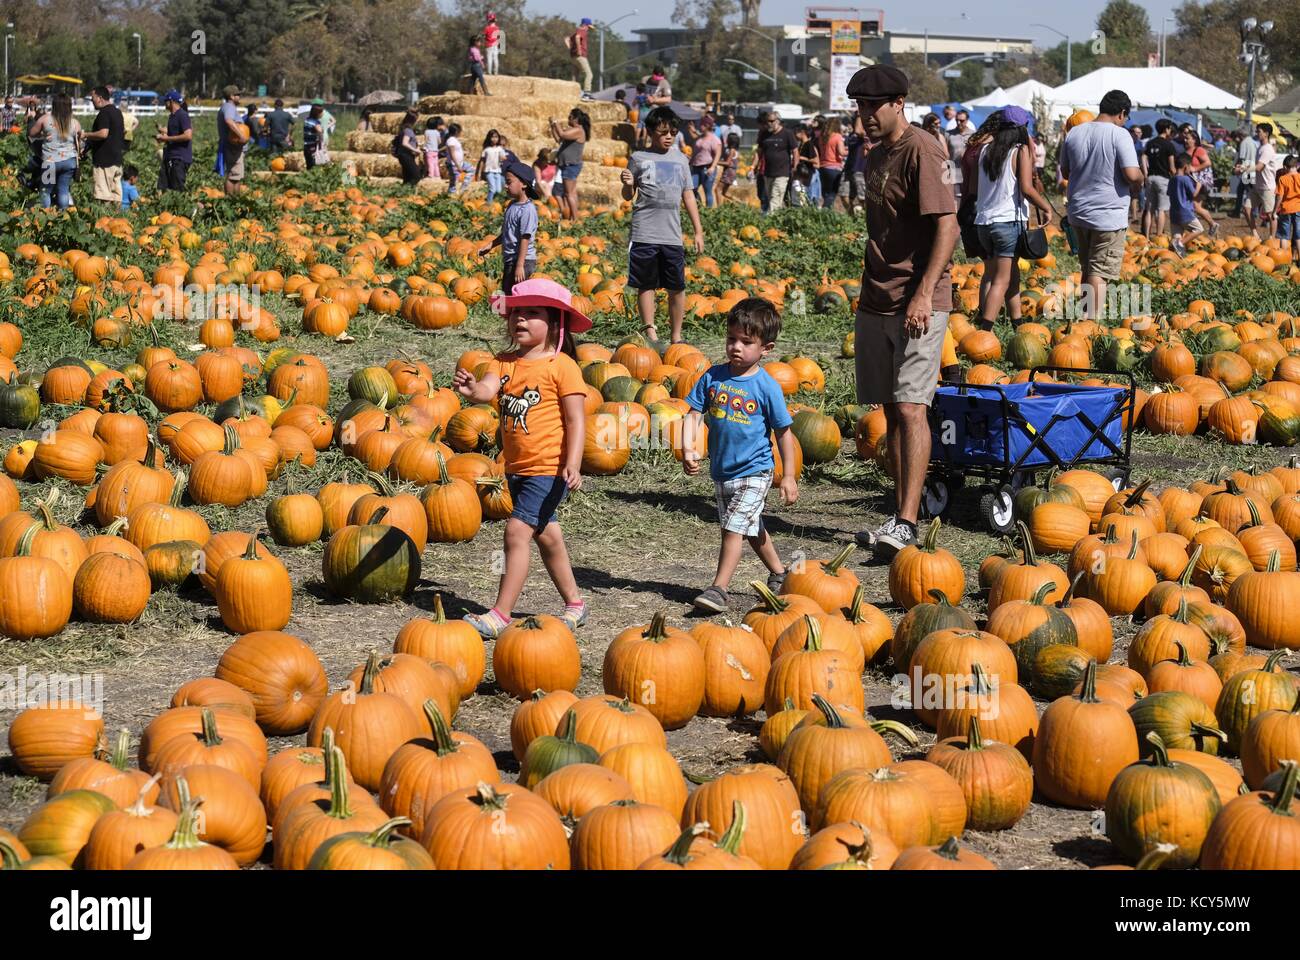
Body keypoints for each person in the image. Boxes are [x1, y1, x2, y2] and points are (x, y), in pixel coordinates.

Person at [846, 64, 958, 558]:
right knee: (891, 410)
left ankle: (908, 524)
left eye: (873, 106)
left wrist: (921, 292)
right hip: (877, 298)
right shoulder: (875, 156)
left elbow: (948, 227)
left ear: (898, 104)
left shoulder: (922, 149)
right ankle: (898, 512)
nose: (865, 115)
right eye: (860, 107)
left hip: (919, 301)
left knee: (913, 408)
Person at [455, 278, 591, 638]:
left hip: (549, 470)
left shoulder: (562, 367)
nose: (520, 320)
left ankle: (500, 613)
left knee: (516, 532)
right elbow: (488, 389)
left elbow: (577, 420)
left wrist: (574, 462)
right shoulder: (503, 362)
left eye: (532, 313)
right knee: (547, 537)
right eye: (516, 313)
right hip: (517, 468)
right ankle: (575, 604)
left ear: (556, 322)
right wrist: (473, 391)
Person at [682, 298, 798, 612]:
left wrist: (787, 475)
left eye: (746, 342)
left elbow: (784, 433)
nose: (736, 347)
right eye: (731, 338)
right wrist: (688, 446)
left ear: (766, 348)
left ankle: (719, 589)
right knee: (749, 525)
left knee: (734, 529)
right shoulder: (713, 376)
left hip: (755, 470)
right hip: (723, 471)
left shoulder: (767, 387)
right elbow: (692, 414)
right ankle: (779, 572)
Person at [621, 105, 704, 347]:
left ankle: (676, 336)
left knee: (676, 286)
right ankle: (651, 335)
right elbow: (628, 195)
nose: (669, 137)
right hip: (644, 232)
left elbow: (688, 196)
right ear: (649, 132)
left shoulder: (680, 160)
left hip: (672, 235)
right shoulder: (638, 158)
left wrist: (697, 230)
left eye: (672, 132)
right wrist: (627, 183)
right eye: (663, 132)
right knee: (646, 285)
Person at [1059, 90, 1144, 322]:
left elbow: (1065, 172)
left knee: (1088, 267)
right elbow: (1130, 173)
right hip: (1108, 215)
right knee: (1100, 271)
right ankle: (1090, 323)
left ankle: (1084, 318)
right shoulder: (1120, 135)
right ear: (1122, 113)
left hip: (1079, 212)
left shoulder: (1074, 133)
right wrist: (1140, 180)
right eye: (1126, 117)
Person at [972, 116, 1053, 330]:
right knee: (1002, 280)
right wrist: (1045, 207)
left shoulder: (984, 151)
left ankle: (1016, 321)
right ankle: (985, 331)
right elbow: (1026, 188)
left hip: (983, 223)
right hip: (1007, 223)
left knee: (1007, 274)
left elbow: (973, 188)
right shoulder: (1019, 151)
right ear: (1021, 129)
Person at [479, 161, 539, 294]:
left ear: (523, 184)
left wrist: (520, 265)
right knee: (507, 292)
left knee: (516, 295)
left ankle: (512, 314)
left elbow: (525, 237)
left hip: (523, 261)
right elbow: (508, 233)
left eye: (509, 182)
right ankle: (505, 314)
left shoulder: (527, 210)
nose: (505, 185)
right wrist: (491, 245)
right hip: (511, 259)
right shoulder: (512, 205)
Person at [30, 93, 81, 209]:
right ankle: (63, 216)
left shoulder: (45, 119)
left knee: (45, 191)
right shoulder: (75, 123)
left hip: (50, 161)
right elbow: (79, 139)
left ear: (54, 105)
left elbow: (31, 133)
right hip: (69, 161)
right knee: (63, 190)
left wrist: (42, 133)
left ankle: (45, 216)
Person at [83, 86, 126, 207]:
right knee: (116, 197)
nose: (92, 101)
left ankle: (105, 222)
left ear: (100, 98)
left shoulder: (104, 113)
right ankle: (116, 220)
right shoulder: (117, 112)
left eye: (93, 98)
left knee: (104, 197)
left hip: (104, 162)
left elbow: (103, 134)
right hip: (116, 160)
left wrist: (86, 135)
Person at [755, 111, 797, 213]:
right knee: (772, 199)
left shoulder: (787, 133)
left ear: (778, 121)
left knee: (775, 198)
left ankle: (769, 223)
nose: (769, 123)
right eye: (767, 121)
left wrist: (795, 167)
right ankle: (778, 219)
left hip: (782, 173)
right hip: (768, 173)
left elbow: (795, 151)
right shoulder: (764, 134)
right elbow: (759, 152)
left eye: (771, 121)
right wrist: (753, 166)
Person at [551, 108, 588, 221]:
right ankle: (573, 217)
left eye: (570, 117)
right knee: (572, 192)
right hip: (568, 165)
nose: (568, 119)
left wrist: (556, 122)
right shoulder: (573, 131)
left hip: (570, 166)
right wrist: (552, 126)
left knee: (568, 194)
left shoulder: (578, 130)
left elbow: (562, 134)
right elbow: (559, 139)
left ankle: (574, 219)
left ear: (576, 119)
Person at [1141, 119, 1177, 238]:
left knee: (1149, 209)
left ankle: (1146, 236)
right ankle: (1159, 236)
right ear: (1166, 129)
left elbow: (1143, 157)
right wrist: (1175, 174)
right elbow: (1172, 167)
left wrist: (1145, 173)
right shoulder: (1169, 145)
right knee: (1161, 209)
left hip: (1151, 177)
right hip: (1163, 179)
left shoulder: (1150, 143)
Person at [1180, 129, 1219, 236]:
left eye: (1187, 138)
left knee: (1195, 206)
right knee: (1192, 206)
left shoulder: (1198, 150)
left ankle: (1212, 223)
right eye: (1184, 138)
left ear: (1194, 139)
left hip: (1199, 183)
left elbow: (1207, 162)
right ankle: (1191, 231)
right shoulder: (1186, 151)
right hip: (1190, 183)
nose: (1185, 140)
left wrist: (1195, 168)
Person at [154, 89, 193, 192]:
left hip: (179, 158)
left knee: (178, 189)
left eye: (165, 101)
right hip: (171, 156)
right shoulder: (172, 116)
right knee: (165, 188)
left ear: (171, 102)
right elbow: (174, 135)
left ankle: (189, 207)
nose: (164, 103)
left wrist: (167, 138)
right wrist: (163, 139)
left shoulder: (182, 115)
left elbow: (188, 135)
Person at [1168, 153, 1203, 257]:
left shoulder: (1172, 179)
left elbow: (1169, 193)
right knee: (1199, 229)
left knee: (1177, 236)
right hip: (1185, 213)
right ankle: (1180, 243)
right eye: (1190, 167)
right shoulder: (1186, 179)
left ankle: (1172, 257)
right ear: (1186, 167)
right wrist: (1198, 186)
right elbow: (1193, 195)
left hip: (1174, 213)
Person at [1252, 123, 1280, 240]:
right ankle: (1255, 235)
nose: (1257, 133)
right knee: (1247, 208)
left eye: (1259, 131)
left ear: (1266, 134)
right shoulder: (1260, 147)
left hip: (1267, 187)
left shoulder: (1268, 149)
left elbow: (1259, 167)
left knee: (1271, 214)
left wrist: (1243, 168)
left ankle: (1271, 239)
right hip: (1258, 186)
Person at [217, 85, 246, 195]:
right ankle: (232, 201)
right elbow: (229, 121)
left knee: (236, 176)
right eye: (237, 95)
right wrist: (241, 136)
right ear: (231, 96)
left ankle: (234, 201)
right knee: (233, 176)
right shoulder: (229, 107)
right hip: (232, 146)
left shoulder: (228, 107)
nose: (239, 97)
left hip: (233, 146)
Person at [689, 115, 722, 208]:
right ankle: (698, 207)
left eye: (701, 125)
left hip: (707, 168)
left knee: (707, 190)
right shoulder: (700, 137)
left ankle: (708, 212)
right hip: (696, 167)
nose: (700, 126)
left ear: (707, 125)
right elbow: (697, 149)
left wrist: (712, 167)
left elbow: (718, 154)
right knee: (692, 188)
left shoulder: (714, 139)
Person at [817, 117, 847, 210]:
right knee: (832, 193)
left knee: (825, 193)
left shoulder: (822, 137)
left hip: (822, 167)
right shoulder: (837, 136)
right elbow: (841, 152)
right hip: (834, 168)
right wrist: (849, 151)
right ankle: (825, 212)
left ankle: (826, 213)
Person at [1275, 154, 1300, 261]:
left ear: (1285, 167)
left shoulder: (1282, 179)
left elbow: (1279, 197)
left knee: (1284, 236)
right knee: (1298, 236)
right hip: (1299, 209)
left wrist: (1275, 210)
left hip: (1286, 210)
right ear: (1297, 166)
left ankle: (1284, 261)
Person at [791, 123, 820, 206]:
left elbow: (815, 161)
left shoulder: (809, 144)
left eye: (796, 133)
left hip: (807, 174)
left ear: (802, 132)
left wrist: (803, 158)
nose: (795, 136)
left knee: (805, 197)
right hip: (801, 174)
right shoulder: (801, 144)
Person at [393, 110, 423, 186]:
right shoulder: (408, 130)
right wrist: (415, 150)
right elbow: (405, 143)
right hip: (406, 155)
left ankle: (403, 193)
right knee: (416, 175)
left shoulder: (404, 129)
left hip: (405, 155)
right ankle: (406, 190)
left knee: (407, 177)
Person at [476, 128, 507, 202]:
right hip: (489, 171)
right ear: (489, 138)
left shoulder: (500, 149)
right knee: (492, 188)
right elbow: (482, 161)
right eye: (492, 137)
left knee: (499, 190)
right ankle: (489, 204)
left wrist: (502, 158)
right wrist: (479, 173)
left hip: (497, 171)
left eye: (496, 137)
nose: (494, 139)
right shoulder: (486, 149)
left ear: (498, 138)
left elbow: (504, 157)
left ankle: (496, 203)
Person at [1234, 128, 1257, 222]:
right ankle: (1240, 210)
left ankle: (1239, 211)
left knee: (1246, 191)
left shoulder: (1244, 142)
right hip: (1252, 169)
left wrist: (1237, 167)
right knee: (1247, 190)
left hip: (1246, 169)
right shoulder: (1253, 141)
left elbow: (1242, 157)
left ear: (1241, 135)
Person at [567, 18, 593, 93]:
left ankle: (573, 92)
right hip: (580, 56)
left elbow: (567, 39)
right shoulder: (582, 30)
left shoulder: (576, 31)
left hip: (573, 57)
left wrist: (571, 49)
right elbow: (577, 37)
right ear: (585, 25)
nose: (588, 29)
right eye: (588, 27)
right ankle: (587, 93)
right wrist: (579, 49)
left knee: (575, 76)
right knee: (589, 74)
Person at [717, 132, 741, 204]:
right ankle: (739, 202)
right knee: (724, 193)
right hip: (732, 172)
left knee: (718, 190)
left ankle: (719, 209)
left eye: (727, 138)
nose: (726, 140)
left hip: (728, 172)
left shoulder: (731, 150)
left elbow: (727, 163)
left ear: (730, 141)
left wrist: (715, 162)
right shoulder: (734, 150)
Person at [446, 123, 469, 193]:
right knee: (454, 182)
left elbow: (456, 151)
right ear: (456, 132)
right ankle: (451, 195)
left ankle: (455, 193)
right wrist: (457, 165)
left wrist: (463, 152)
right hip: (454, 165)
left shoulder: (454, 140)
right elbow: (452, 154)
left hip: (457, 164)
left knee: (455, 181)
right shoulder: (451, 140)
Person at [302, 103, 325, 171]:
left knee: (309, 166)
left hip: (306, 146)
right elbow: (319, 130)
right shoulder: (315, 122)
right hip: (313, 147)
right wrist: (321, 139)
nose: (322, 114)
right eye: (321, 112)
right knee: (314, 167)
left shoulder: (307, 120)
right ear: (317, 113)